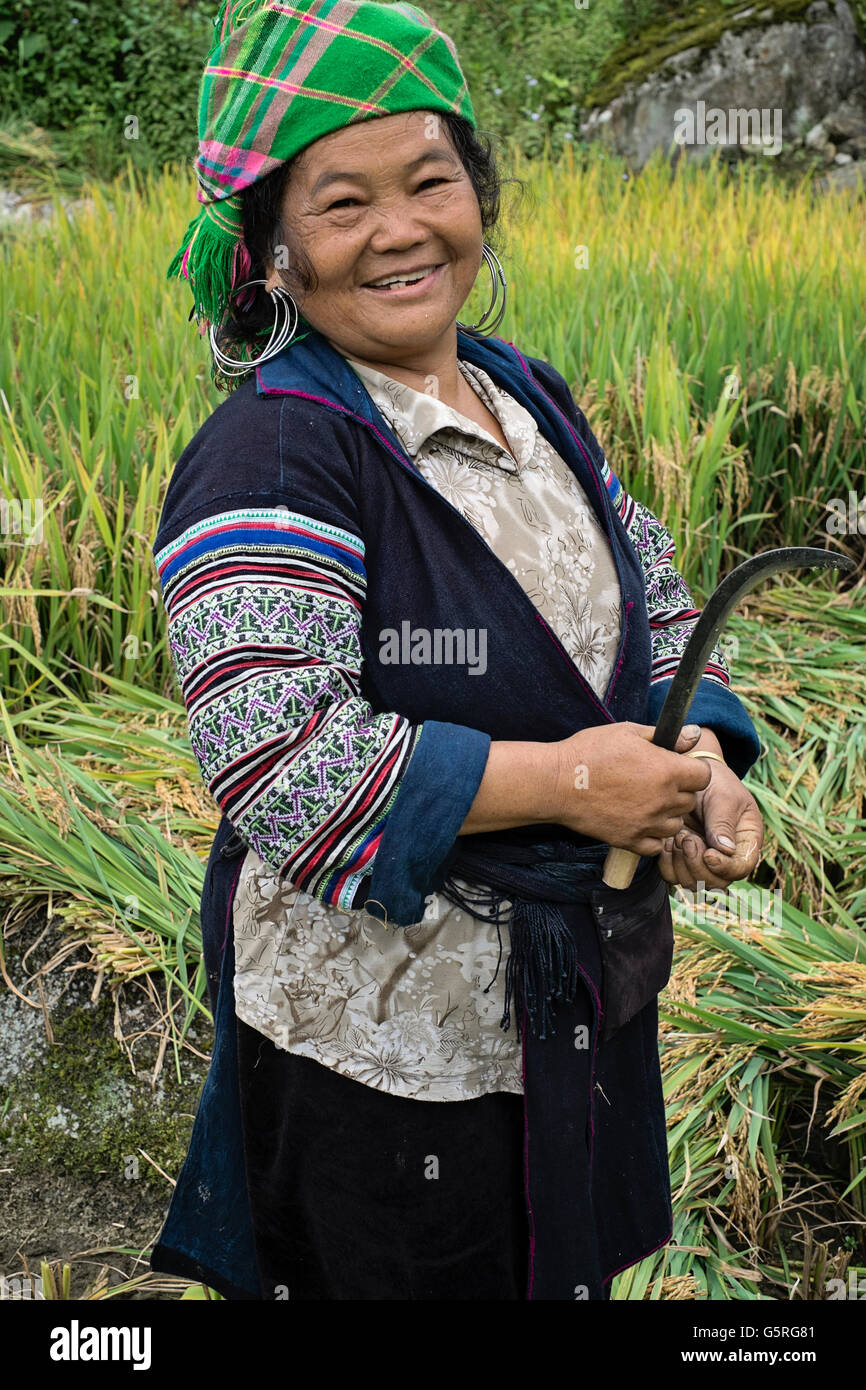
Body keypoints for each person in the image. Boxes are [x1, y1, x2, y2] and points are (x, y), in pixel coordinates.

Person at [150, 0, 763, 1301]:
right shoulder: (274, 454)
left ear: (477, 193)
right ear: (269, 252)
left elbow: (644, 602)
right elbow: (279, 763)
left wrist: (695, 753)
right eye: (339, 204)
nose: (400, 229)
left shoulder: (522, 390)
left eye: (431, 179)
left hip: (562, 998)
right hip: (386, 1050)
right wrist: (567, 786)